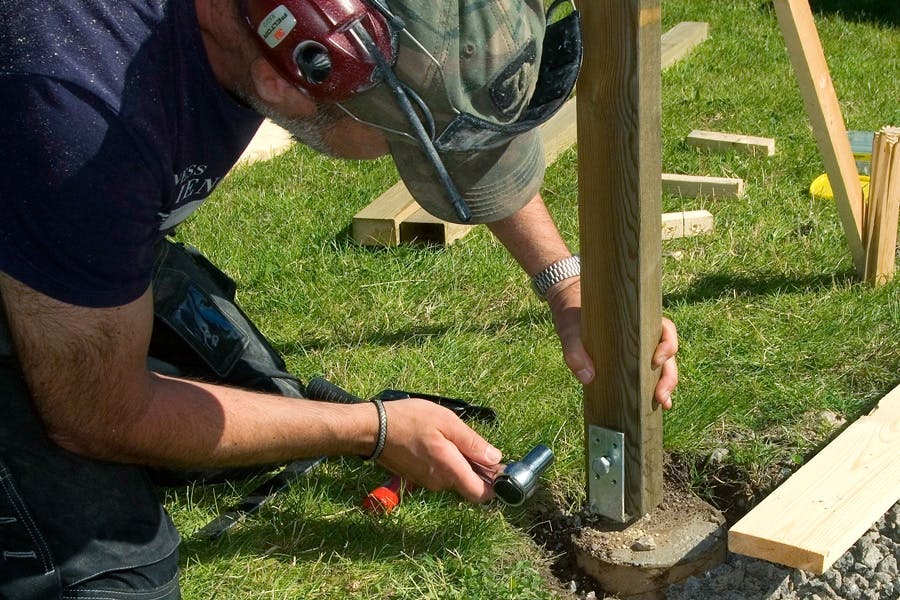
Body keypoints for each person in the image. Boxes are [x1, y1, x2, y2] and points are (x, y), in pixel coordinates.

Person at [0, 0, 678, 597]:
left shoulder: (272, 32)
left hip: (69, 230)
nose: (404, 156)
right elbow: (93, 410)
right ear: (283, 81)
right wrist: (372, 429)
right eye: (402, 143)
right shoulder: (80, 111)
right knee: (113, 580)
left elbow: (444, 78)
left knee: (255, 406)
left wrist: (565, 281)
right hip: (45, 223)